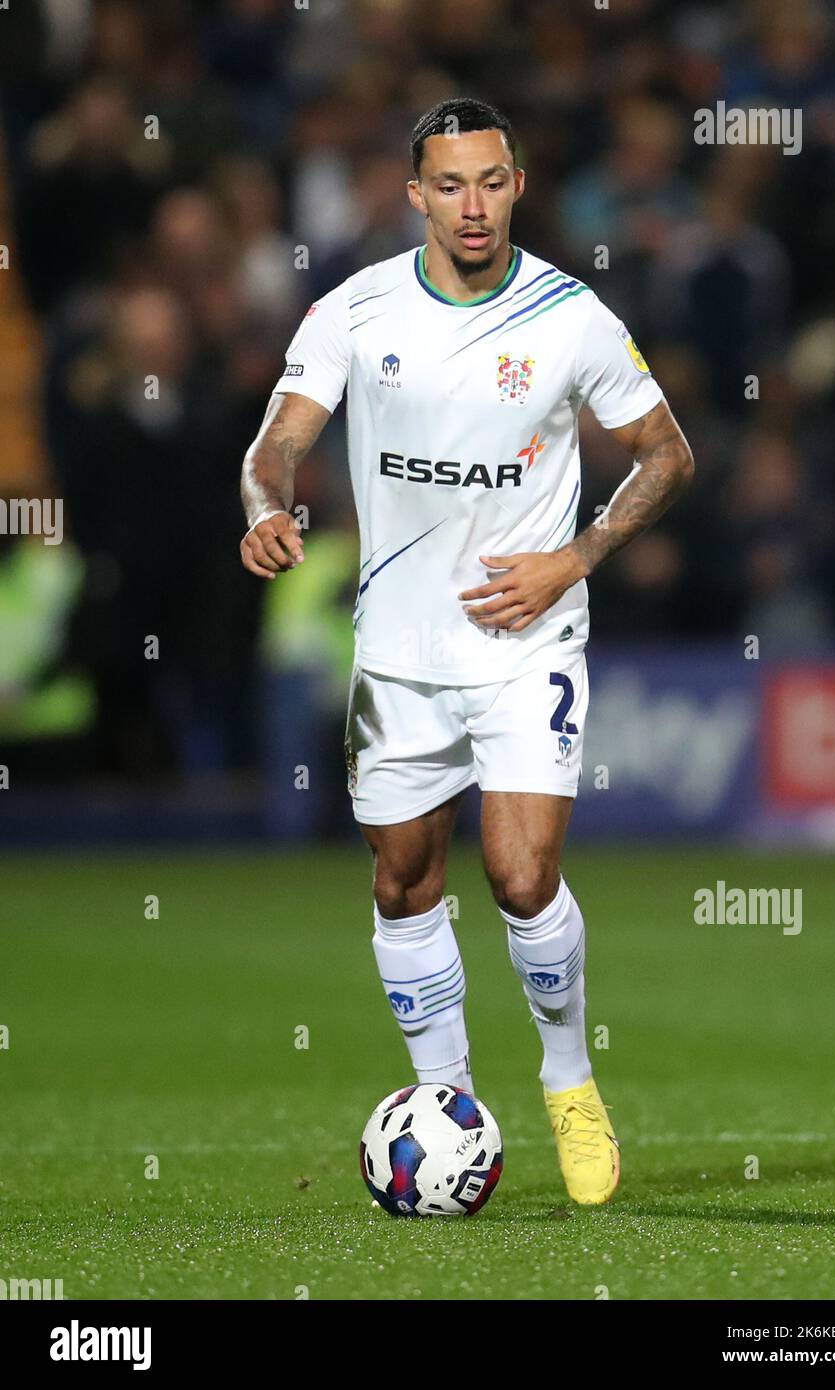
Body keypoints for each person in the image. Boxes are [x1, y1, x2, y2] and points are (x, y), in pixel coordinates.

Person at [239, 98, 694, 1205]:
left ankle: (569, 1078)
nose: (472, 204)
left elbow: (667, 454)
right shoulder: (355, 309)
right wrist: (266, 505)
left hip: (525, 634)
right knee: (403, 881)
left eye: (491, 181)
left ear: (519, 184)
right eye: (449, 184)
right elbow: (278, 441)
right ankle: (445, 1100)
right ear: (415, 195)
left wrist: (575, 557)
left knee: (521, 874)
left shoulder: (569, 315)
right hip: (398, 655)